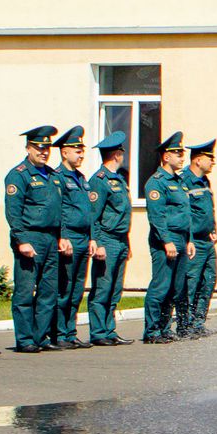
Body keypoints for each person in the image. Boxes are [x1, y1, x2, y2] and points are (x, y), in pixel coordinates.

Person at [3, 125, 67, 353]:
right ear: (28, 147)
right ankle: (25, 338)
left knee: (48, 291)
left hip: (50, 238)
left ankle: (41, 337)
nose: (43, 152)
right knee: (25, 290)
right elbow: (13, 211)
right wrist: (21, 240)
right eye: (39, 148)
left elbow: (58, 209)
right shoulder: (18, 175)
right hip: (30, 236)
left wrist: (60, 236)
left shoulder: (52, 175)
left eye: (47, 148)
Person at [85, 130, 136, 347]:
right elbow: (93, 215)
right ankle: (98, 332)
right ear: (116, 154)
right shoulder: (99, 180)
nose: (122, 156)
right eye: (121, 152)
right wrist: (97, 242)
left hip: (120, 239)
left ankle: (109, 329)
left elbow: (123, 214)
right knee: (103, 287)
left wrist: (127, 243)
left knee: (115, 288)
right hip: (106, 238)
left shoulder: (119, 179)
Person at [142, 132, 192, 344]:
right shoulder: (157, 182)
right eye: (177, 153)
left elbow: (185, 213)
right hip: (166, 240)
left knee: (176, 288)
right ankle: (151, 331)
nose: (182, 157)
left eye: (182, 153)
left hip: (180, 238)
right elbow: (156, 215)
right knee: (161, 286)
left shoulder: (179, 182)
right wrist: (166, 241)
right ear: (165, 157)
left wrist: (188, 240)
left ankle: (164, 328)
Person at [50, 126, 97, 350]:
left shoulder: (81, 178)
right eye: (76, 150)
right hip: (68, 237)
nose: (81, 154)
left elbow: (88, 211)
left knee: (77, 288)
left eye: (82, 150)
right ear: (64, 152)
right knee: (64, 287)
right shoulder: (57, 178)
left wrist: (91, 237)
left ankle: (70, 331)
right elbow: (58, 210)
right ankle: (59, 332)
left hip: (82, 238)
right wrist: (62, 236)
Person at [180, 139, 217, 338]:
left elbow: (206, 209)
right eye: (209, 158)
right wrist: (188, 239)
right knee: (191, 282)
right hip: (194, 242)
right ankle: (185, 324)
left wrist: (213, 228)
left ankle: (198, 323)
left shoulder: (205, 181)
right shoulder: (184, 181)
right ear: (197, 160)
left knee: (209, 280)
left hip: (207, 240)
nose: (213, 162)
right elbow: (185, 213)